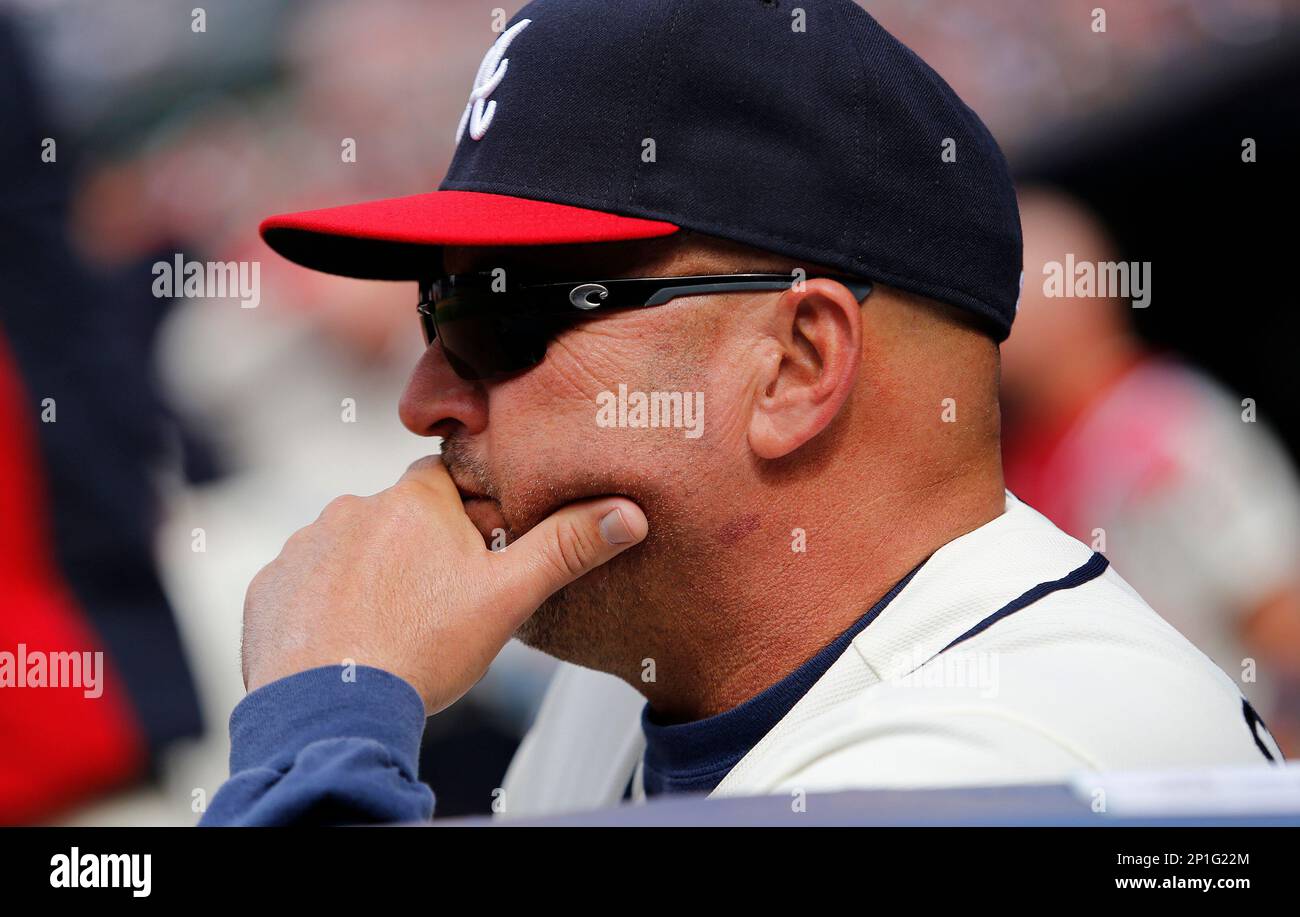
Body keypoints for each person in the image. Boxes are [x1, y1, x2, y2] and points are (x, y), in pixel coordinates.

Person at [201, 0, 1279, 826]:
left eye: (499, 312)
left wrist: (321, 728)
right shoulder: (628, 692)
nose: (422, 398)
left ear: (796, 364)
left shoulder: (1015, 753)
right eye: (434, 308)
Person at [1002, 187, 1300, 755]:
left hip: (1222, 784)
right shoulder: (1026, 452)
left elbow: (1282, 617)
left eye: (1010, 290)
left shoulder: (1166, 425)